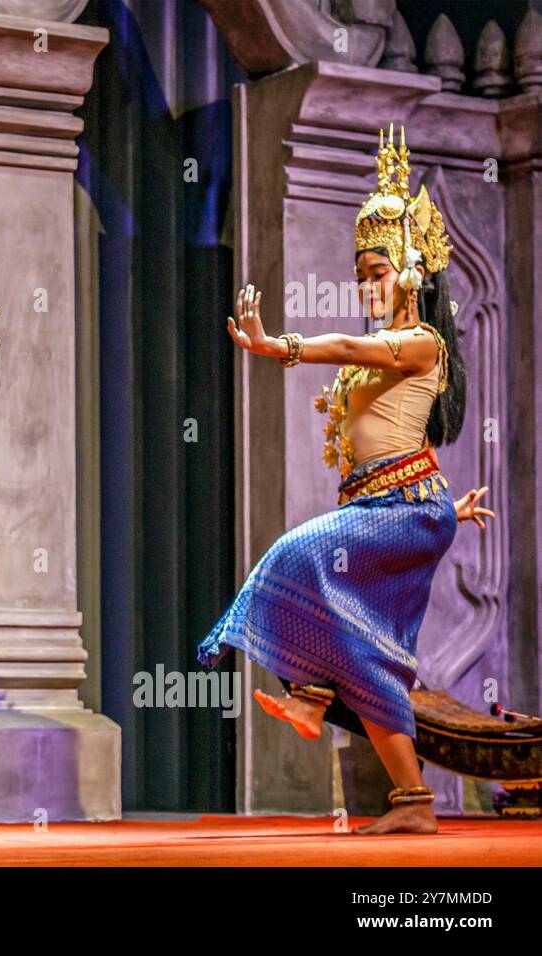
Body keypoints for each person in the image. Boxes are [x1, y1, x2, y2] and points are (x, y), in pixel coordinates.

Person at [198, 127, 494, 835]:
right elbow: (403, 435)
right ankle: (411, 800)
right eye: (361, 271)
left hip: (406, 506)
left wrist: (281, 347)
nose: (367, 284)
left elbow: (352, 345)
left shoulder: (418, 342)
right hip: (406, 502)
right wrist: (446, 507)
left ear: (414, 273)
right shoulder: (388, 355)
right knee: (365, 652)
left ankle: (304, 692)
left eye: (379, 271)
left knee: (294, 555)